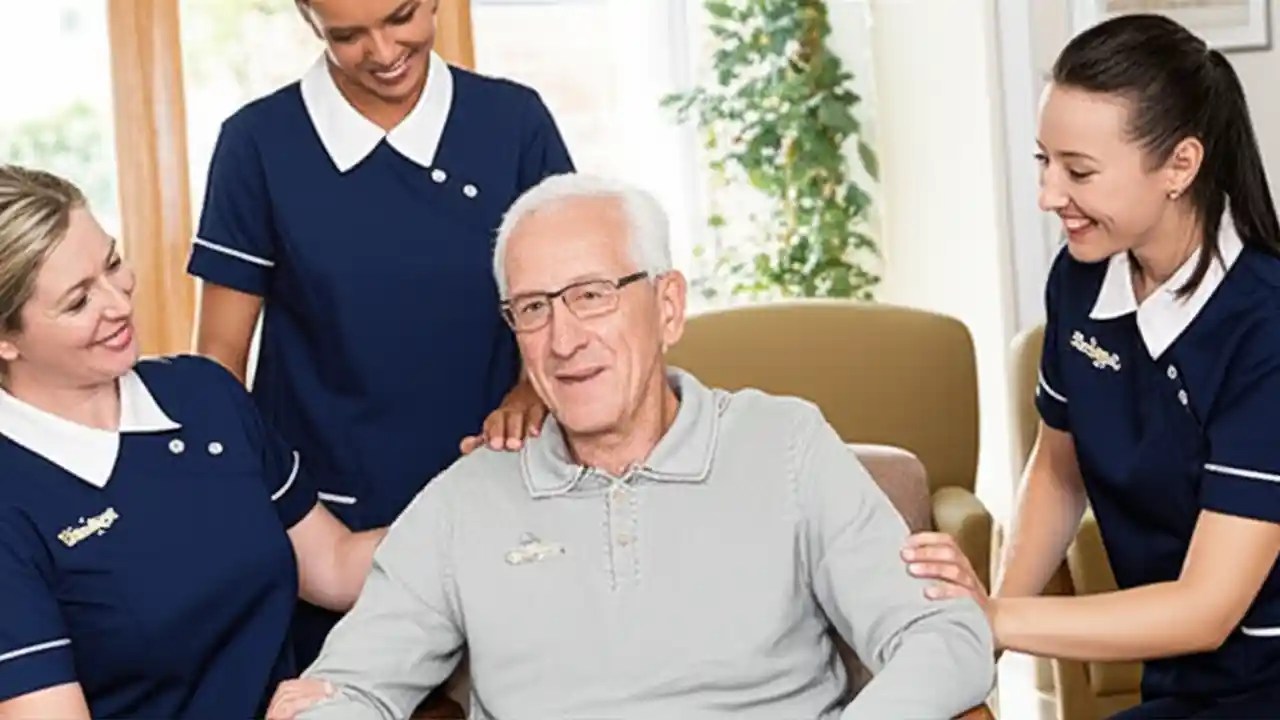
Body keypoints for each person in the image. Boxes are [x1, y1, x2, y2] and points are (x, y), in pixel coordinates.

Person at [263, 173, 995, 720]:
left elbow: (943, 634)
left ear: (668, 306)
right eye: (533, 308)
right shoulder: (467, 498)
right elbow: (348, 687)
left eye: (592, 295)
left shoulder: (786, 446)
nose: (564, 339)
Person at [902, 13, 1280, 719]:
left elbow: (1206, 610)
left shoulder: (1264, 328)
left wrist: (998, 618)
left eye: (1078, 171)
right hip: (1179, 687)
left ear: (1180, 166)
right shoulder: (1081, 279)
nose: (1049, 194)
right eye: (1044, 161)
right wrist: (981, 642)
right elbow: (1058, 468)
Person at [186, 0, 574, 667]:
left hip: (500, 485)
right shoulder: (257, 144)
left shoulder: (513, 123)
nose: (384, 51)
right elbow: (221, 356)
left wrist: (531, 390)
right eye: (347, 35)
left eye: (401, 17)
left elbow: (569, 294)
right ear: (309, 19)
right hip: (328, 516)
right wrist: (236, 502)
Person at [0, 165, 384, 719]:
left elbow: (334, 565)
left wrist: (480, 507)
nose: (118, 304)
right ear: (6, 341)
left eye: (112, 263)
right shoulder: (12, 499)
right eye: (79, 301)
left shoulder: (202, 395)